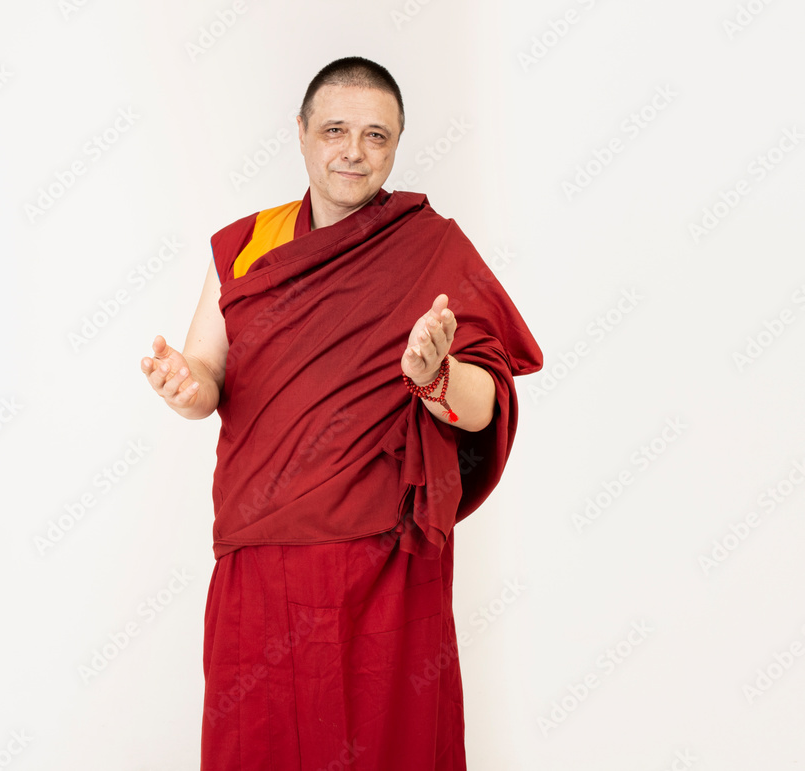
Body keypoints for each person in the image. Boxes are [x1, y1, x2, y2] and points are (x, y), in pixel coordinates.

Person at [140, 56, 542, 771]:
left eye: (376, 135)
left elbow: (487, 402)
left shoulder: (432, 247)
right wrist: (185, 383)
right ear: (300, 134)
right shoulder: (247, 244)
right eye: (334, 130)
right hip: (261, 564)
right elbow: (208, 374)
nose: (354, 151)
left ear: (397, 144)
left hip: (385, 564)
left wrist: (436, 376)